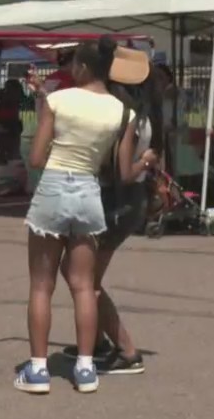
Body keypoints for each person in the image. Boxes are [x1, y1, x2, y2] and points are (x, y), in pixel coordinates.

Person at [15, 37, 151, 395]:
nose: (70, 69)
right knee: (83, 285)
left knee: (42, 284)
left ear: (84, 67)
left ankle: (39, 370)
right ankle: (87, 369)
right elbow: (122, 171)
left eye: (73, 64)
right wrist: (145, 162)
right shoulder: (125, 113)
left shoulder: (58, 100)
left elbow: (36, 157)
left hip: (56, 186)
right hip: (90, 192)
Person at [61, 47, 159, 375]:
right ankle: (99, 338)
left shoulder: (121, 116)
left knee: (84, 278)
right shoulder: (139, 116)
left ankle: (126, 349)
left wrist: (142, 162)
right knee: (81, 275)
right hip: (124, 201)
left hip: (115, 201)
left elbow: (123, 172)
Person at [0, 78, 25, 162]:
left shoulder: (5, 98)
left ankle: (7, 157)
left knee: (8, 150)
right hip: (10, 125)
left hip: (9, 125)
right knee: (11, 151)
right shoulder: (9, 98)